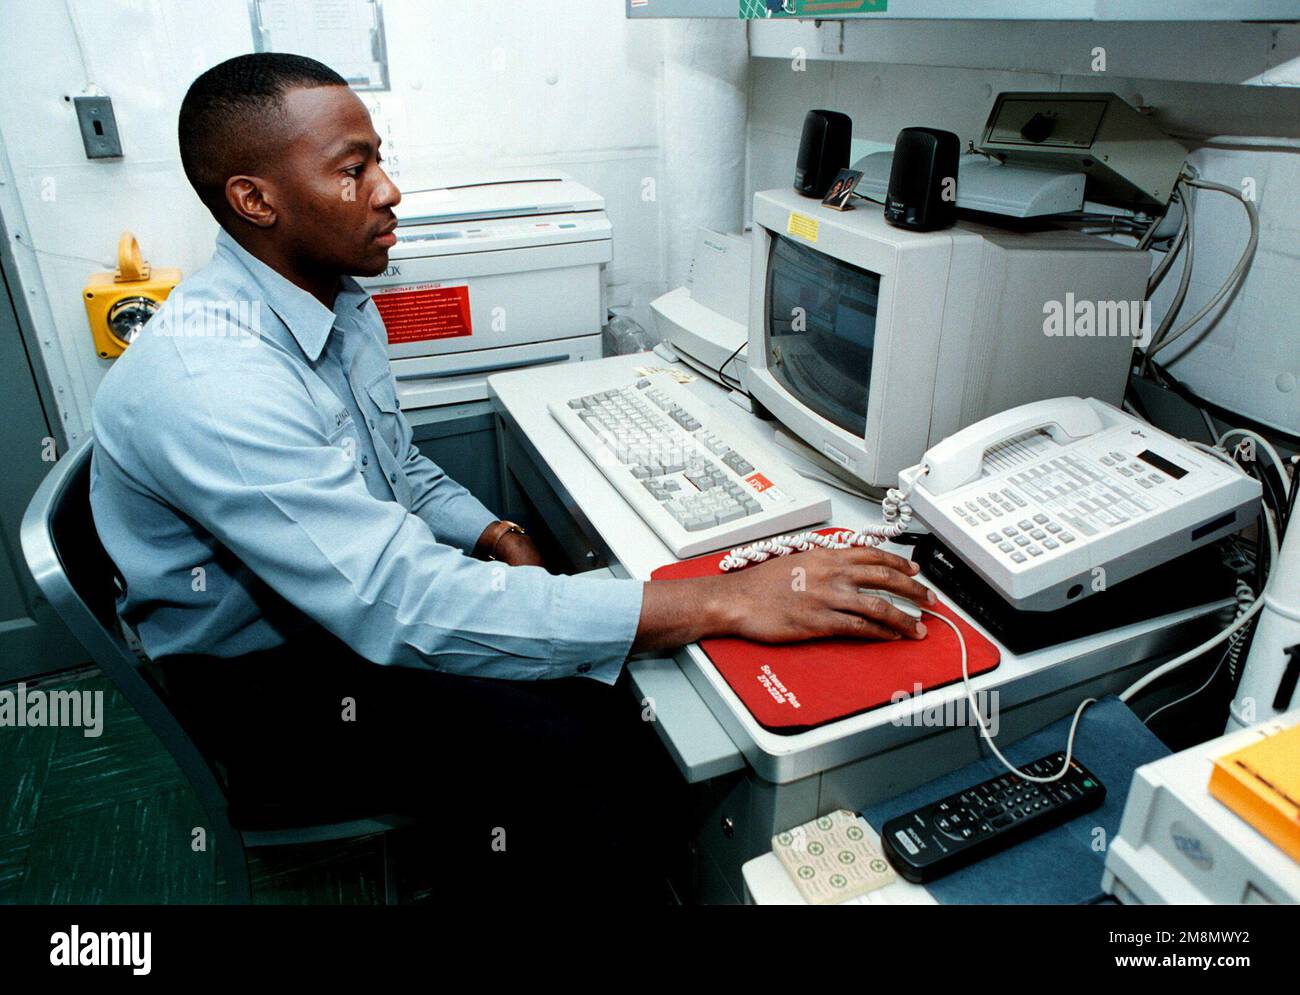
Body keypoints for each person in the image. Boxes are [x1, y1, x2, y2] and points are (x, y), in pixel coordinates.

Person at [89, 53, 933, 902]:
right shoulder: (217, 383)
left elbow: (396, 468)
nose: (388, 191)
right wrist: (729, 596)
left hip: (332, 618)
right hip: (271, 689)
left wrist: (499, 533)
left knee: (593, 684)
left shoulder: (330, 297)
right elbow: (402, 605)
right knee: (582, 730)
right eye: (353, 170)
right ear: (255, 200)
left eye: (378, 159)